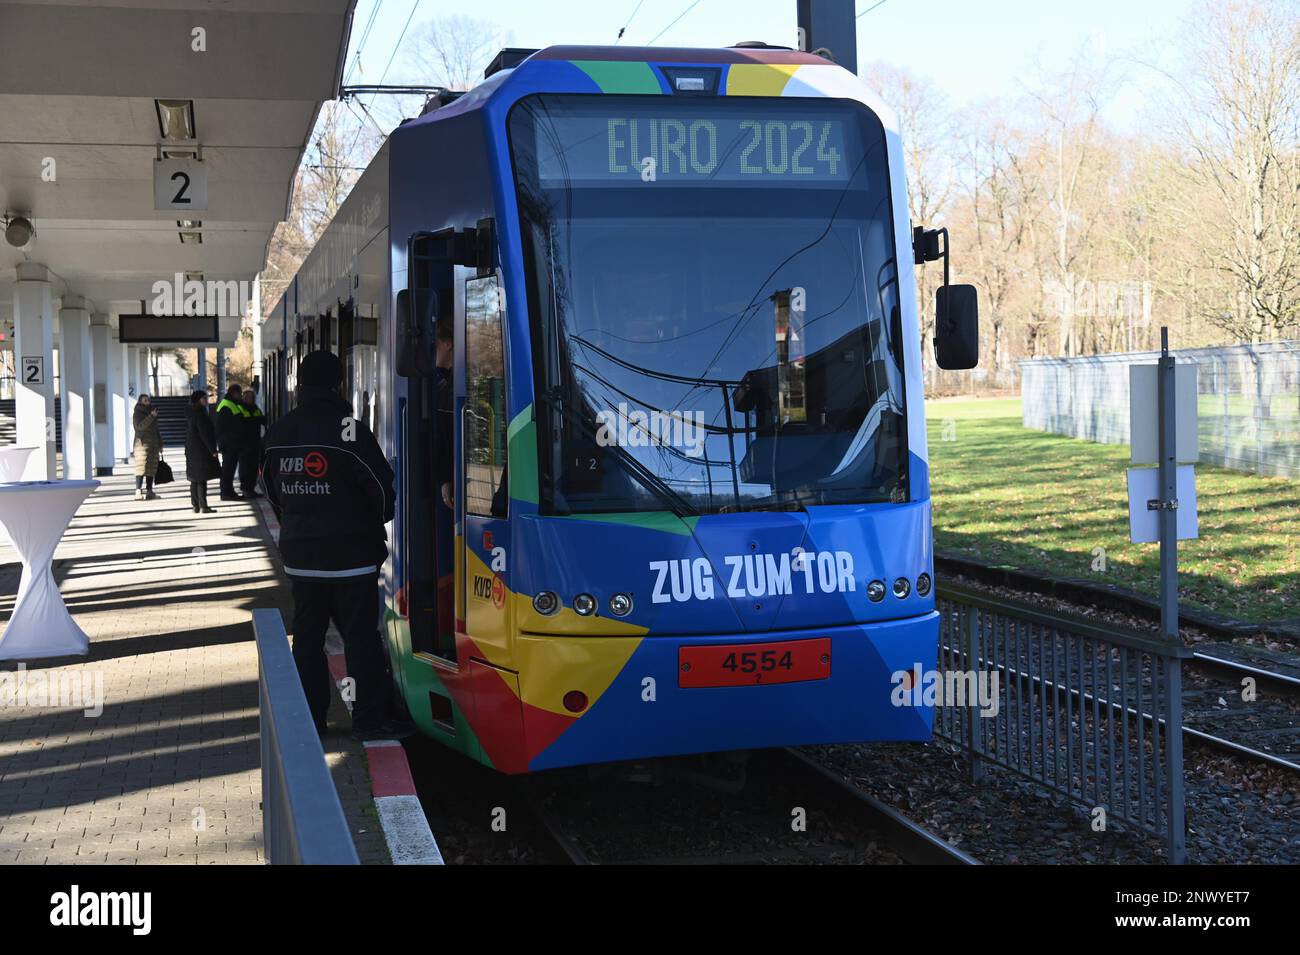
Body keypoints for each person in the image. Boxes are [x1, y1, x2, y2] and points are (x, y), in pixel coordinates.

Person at [259, 351, 413, 742]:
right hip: (351, 559)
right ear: (335, 384)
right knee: (360, 639)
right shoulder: (349, 430)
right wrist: (370, 523)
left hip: (301, 559)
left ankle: (313, 721)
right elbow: (380, 489)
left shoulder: (280, 431)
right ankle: (370, 720)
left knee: (308, 640)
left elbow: (269, 489)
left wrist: (296, 522)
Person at [184, 390, 220, 514]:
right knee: (201, 479)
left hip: (191, 449)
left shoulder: (191, 412)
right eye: (204, 398)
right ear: (198, 400)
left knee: (194, 479)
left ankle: (195, 505)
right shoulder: (200, 414)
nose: (206, 400)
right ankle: (204, 506)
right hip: (201, 450)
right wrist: (213, 450)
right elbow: (204, 434)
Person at [213, 384, 248, 500]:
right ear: (234, 393)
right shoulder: (227, 406)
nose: (241, 396)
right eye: (240, 393)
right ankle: (226, 493)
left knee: (229, 469)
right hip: (229, 444)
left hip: (230, 443)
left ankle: (228, 491)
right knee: (228, 469)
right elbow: (226, 427)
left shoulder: (231, 404)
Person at [434, 316, 454, 510]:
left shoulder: (448, 388)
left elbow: (445, 435)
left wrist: (445, 479)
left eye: (436, 344)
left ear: (448, 344)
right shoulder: (445, 382)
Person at [131, 394, 163, 501]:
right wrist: (151, 416)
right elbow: (140, 427)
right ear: (140, 402)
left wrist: (160, 444)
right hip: (142, 444)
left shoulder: (152, 412)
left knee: (151, 468)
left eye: (148, 400)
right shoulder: (137, 413)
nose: (147, 402)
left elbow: (156, 430)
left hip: (153, 445)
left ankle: (150, 491)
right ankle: (138, 491)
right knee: (141, 467)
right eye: (145, 400)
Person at [239, 388, 265, 498]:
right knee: (245, 467)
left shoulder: (256, 409)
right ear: (244, 398)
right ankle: (245, 489)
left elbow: (263, 420)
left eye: (253, 397)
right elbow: (240, 424)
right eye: (249, 397)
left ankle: (251, 488)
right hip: (244, 443)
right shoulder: (239, 408)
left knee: (254, 467)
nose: (251, 399)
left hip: (255, 442)